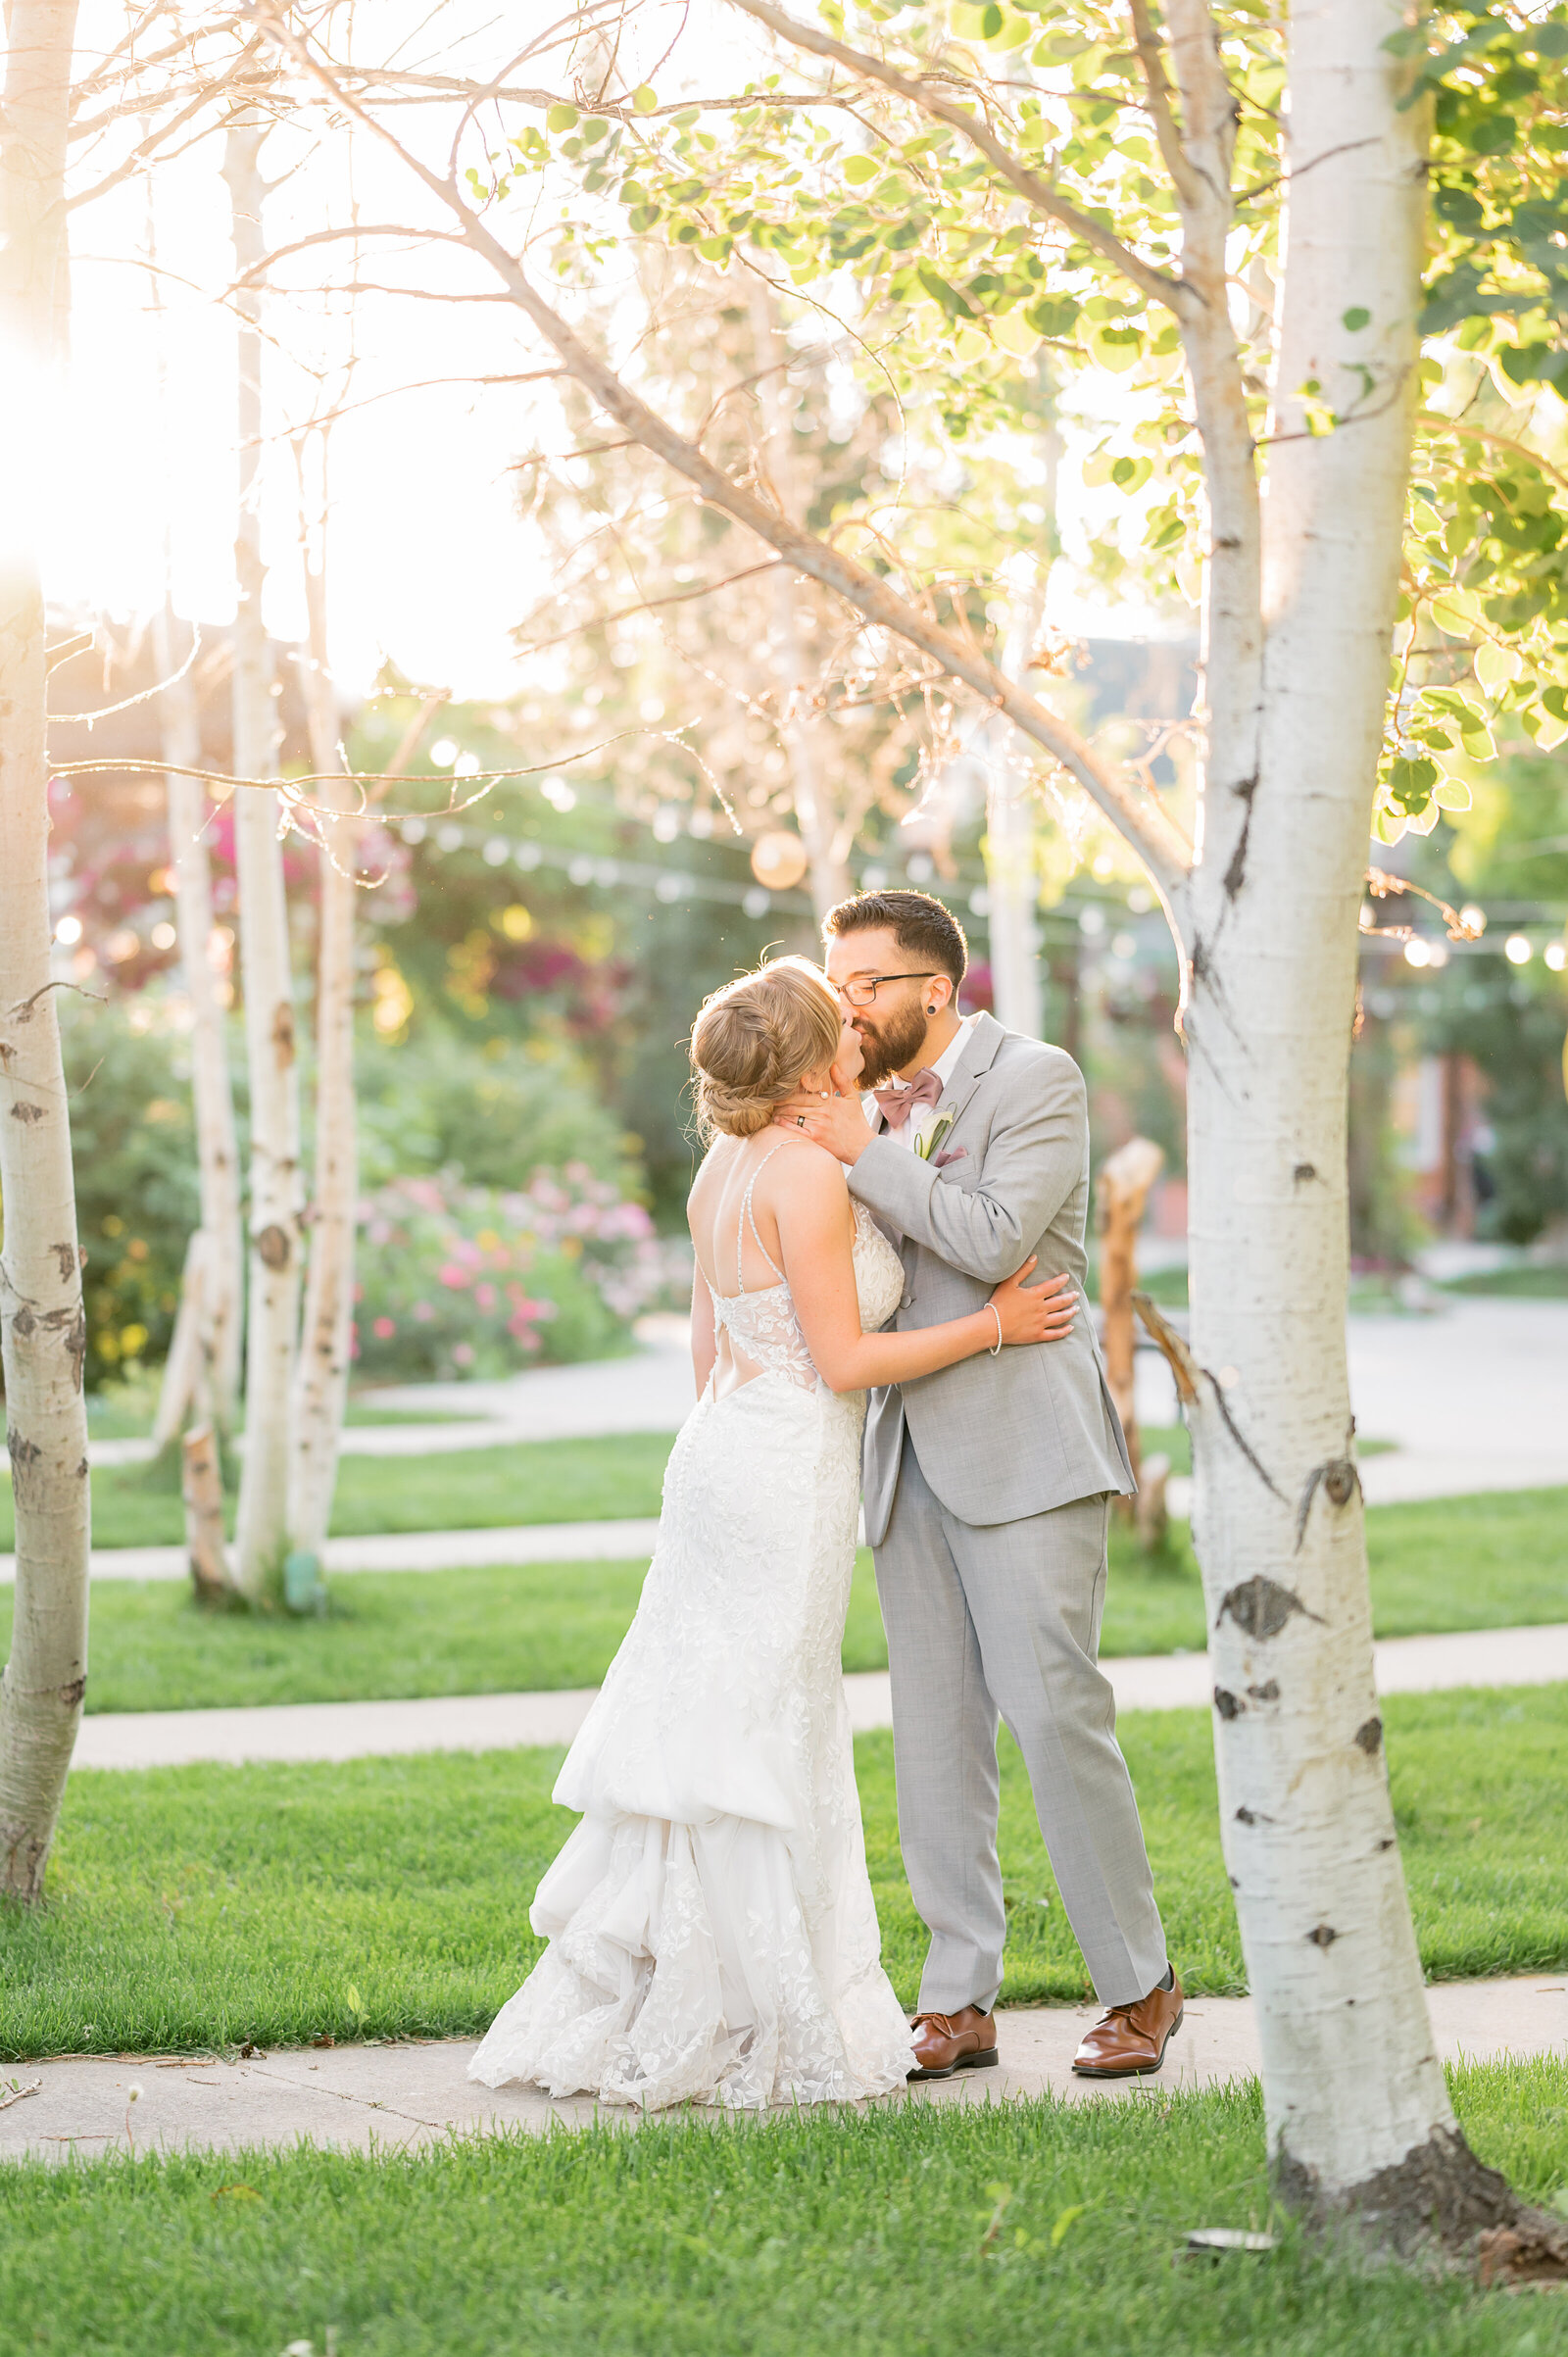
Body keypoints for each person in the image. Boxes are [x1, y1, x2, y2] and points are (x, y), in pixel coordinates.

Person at [468, 956, 1075, 2109]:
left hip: (719, 1450)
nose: (859, 1028)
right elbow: (842, 1359)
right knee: (763, 1723)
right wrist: (992, 1324)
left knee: (709, 1719)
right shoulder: (801, 1173)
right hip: (788, 1463)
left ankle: (682, 1991)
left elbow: (711, 1346)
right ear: (806, 1058)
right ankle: (755, 2010)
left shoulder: (724, 1162)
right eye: (840, 1020)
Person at [776, 891, 1182, 2084]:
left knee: (1054, 1716)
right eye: (836, 981)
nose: (845, 1003)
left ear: (935, 988)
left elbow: (998, 1237)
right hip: (903, 1450)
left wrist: (861, 1151)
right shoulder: (853, 1100)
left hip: (1027, 1451)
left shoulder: (1036, 1077)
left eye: (864, 983)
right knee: (935, 1735)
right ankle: (956, 1998)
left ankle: (1140, 1985)